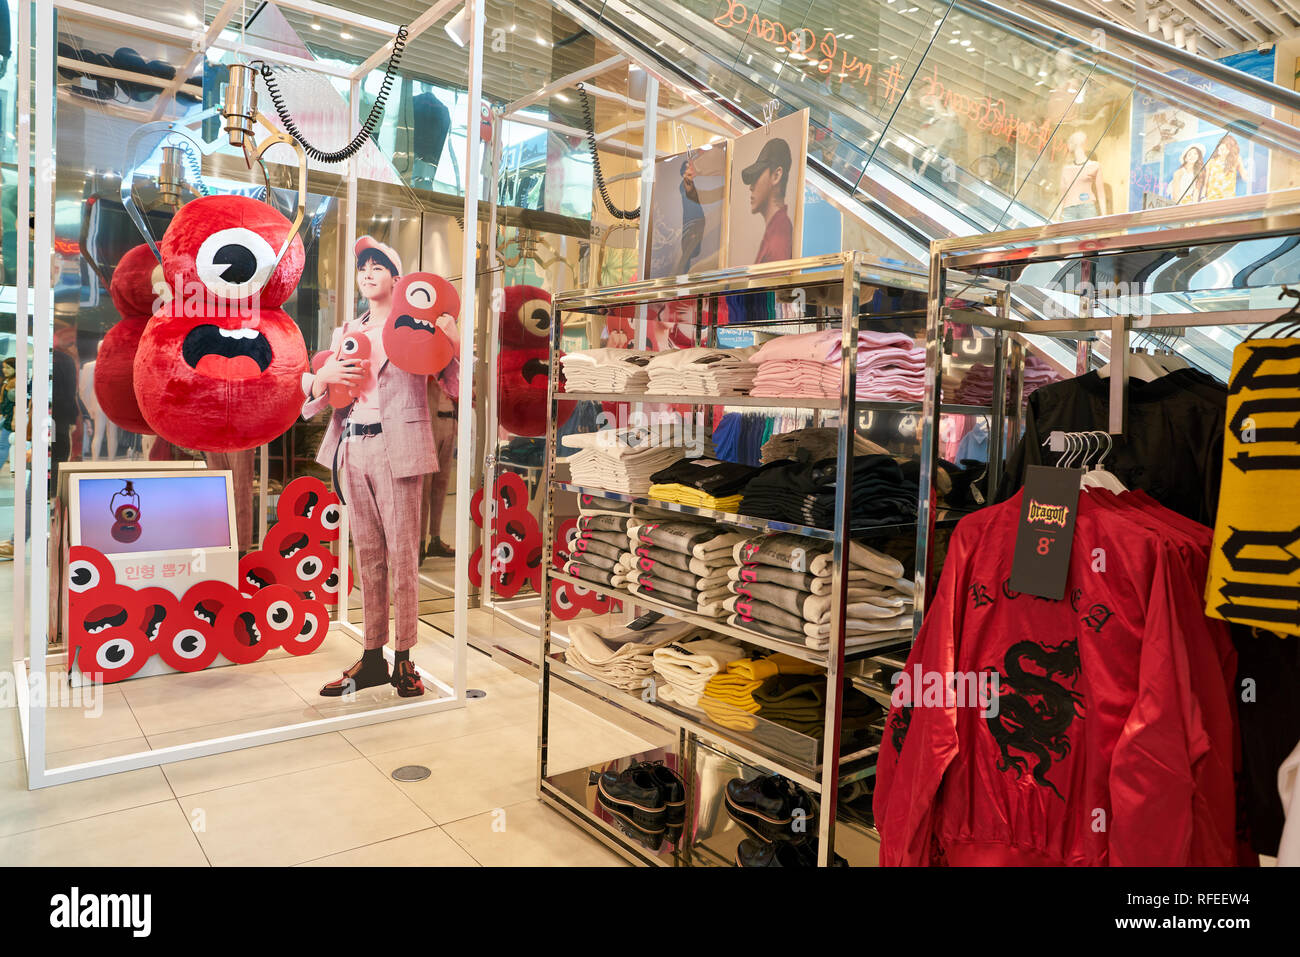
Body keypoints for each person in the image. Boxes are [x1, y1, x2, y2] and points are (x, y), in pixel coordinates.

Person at [303, 237, 460, 699]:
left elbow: (454, 385)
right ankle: (373, 656)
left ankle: (405, 661)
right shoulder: (346, 330)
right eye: (362, 268)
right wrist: (318, 380)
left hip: (400, 447)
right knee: (367, 556)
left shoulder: (416, 325)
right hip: (352, 446)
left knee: (403, 557)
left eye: (378, 266)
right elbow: (317, 400)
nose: (368, 273)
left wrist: (451, 342)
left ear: (396, 276)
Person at [741, 136, 794, 264]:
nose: (751, 187)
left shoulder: (778, 239)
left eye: (757, 176)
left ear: (776, 175)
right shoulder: (775, 230)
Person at [420, 373, 456, 560]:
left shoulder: (453, 368)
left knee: (441, 485)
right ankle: (419, 542)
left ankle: (435, 538)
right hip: (429, 425)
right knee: (424, 486)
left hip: (449, 422)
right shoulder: (425, 367)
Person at [1204, 135, 1247, 201]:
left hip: (1227, 198)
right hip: (1212, 198)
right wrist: (1203, 197)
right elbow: (1206, 183)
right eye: (1221, 148)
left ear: (1230, 150)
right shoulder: (1211, 162)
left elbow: (1244, 176)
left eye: (1225, 149)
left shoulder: (1235, 160)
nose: (1222, 150)